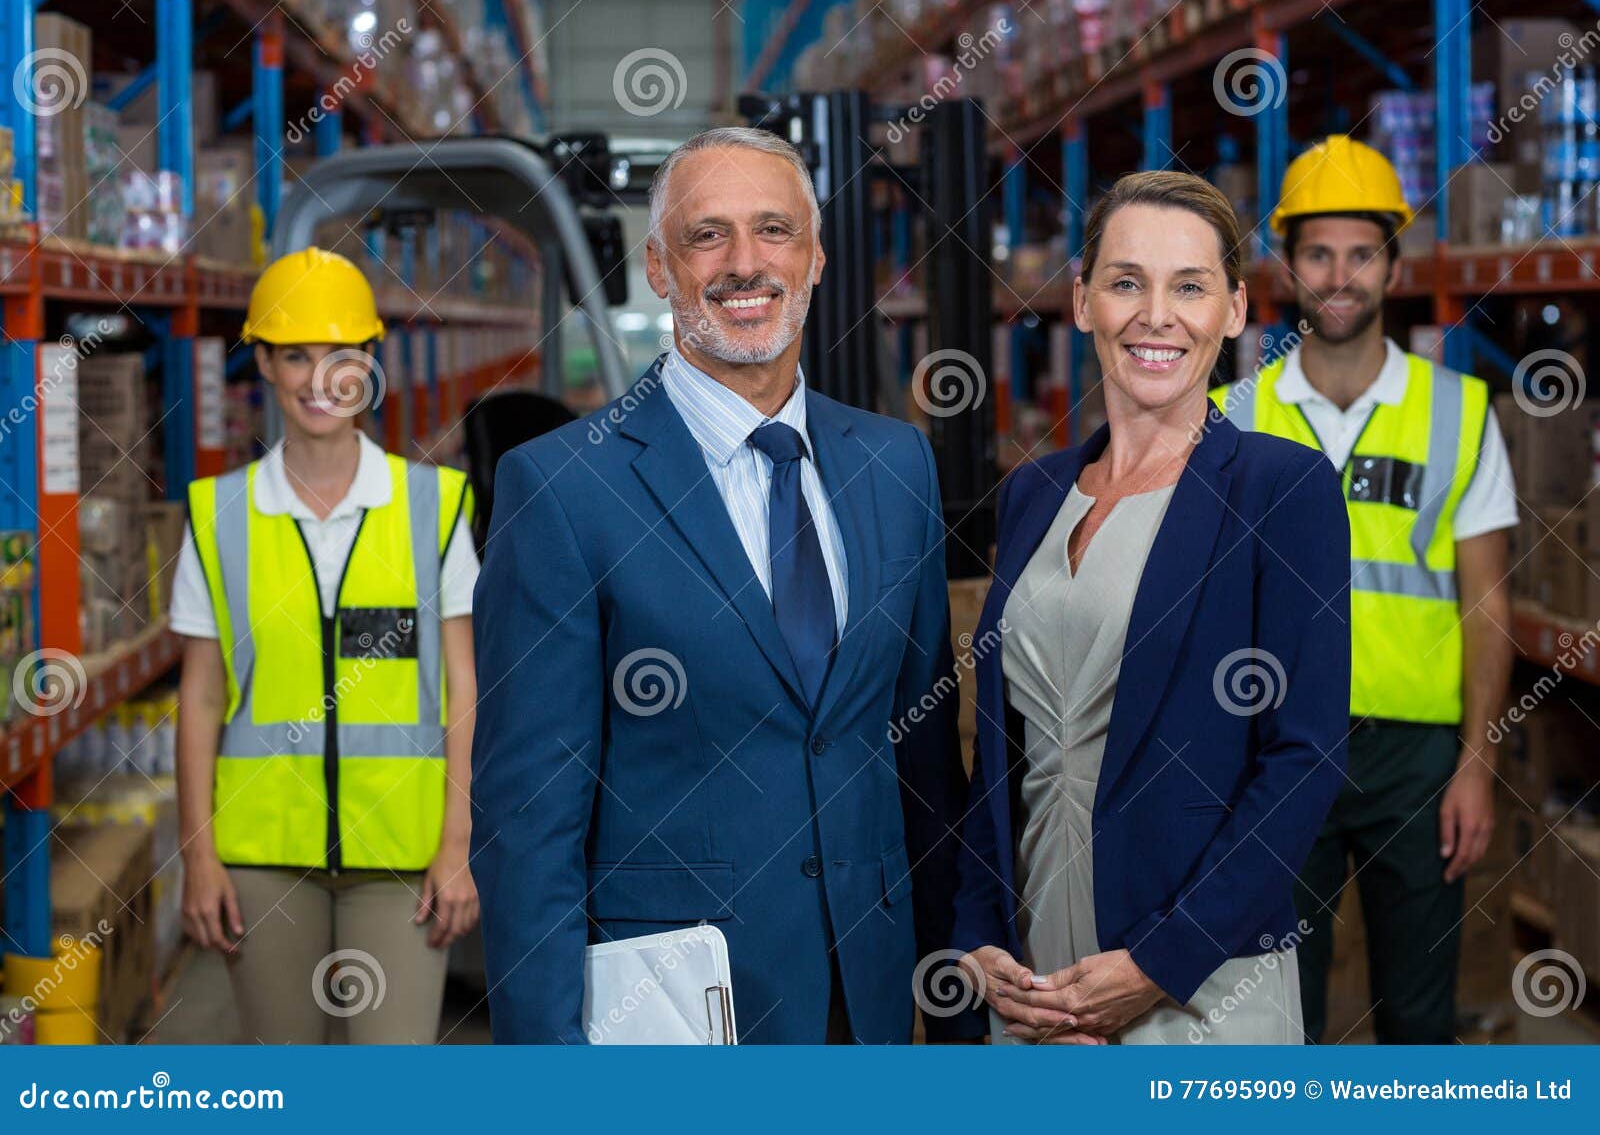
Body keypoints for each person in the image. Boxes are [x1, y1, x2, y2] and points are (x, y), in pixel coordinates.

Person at [470, 127, 976, 1044]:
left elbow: (926, 770)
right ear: (659, 267)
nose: (746, 263)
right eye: (708, 236)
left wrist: (955, 1009)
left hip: (869, 997)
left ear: (817, 257)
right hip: (673, 1014)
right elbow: (527, 825)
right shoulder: (563, 489)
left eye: (775, 229)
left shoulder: (896, 465)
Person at [952, 170, 1351, 1044]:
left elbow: (1304, 759)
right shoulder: (1034, 494)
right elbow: (999, 758)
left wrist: (1159, 963)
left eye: (1191, 286)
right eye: (1127, 281)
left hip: (1196, 979)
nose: (1155, 314)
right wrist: (977, 932)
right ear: (1084, 300)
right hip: (1033, 980)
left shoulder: (1282, 490)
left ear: (1238, 311)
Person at [1211, 135, 1517, 1044]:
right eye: (1318, 253)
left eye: (1361, 252)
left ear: (1393, 262)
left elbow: (1488, 602)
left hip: (1416, 766)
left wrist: (1477, 764)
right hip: (1274, 753)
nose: (1339, 275)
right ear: (1287, 266)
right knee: (1275, 1018)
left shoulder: (1460, 412)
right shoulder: (1238, 414)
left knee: (1418, 1016)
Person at [173, 247, 481, 1043]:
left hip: (401, 862)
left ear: (369, 364)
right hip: (263, 862)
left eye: (339, 355)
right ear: (266, 365)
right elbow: (202, 698)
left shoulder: (433, 507)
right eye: (295, 356)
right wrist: (198, 857)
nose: (319, 379)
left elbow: (462, 687)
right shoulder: (218, 516)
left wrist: (458, 843)